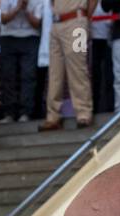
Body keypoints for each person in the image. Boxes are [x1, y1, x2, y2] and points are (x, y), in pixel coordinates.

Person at [40, 1, 95, 131]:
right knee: (54, 73)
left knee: (78, 68)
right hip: (56, 24)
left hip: (77, 23)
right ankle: (53, 116)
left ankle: (84, 113)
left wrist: (85, 16)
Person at [0, 0, 44, 122]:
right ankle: (9, 113)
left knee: (28, 75)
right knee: (8, 76)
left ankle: (26, 112)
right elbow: (3, 19)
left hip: (31, 37)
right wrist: (17, 8)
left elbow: (37, 23)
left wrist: (26, 10)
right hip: (8, 37)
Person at [89, 3, 114, 115]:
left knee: (110, 75)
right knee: (94, 75)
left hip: (109, 40)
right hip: (92, 41)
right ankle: (93, 108)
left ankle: (110, 106)